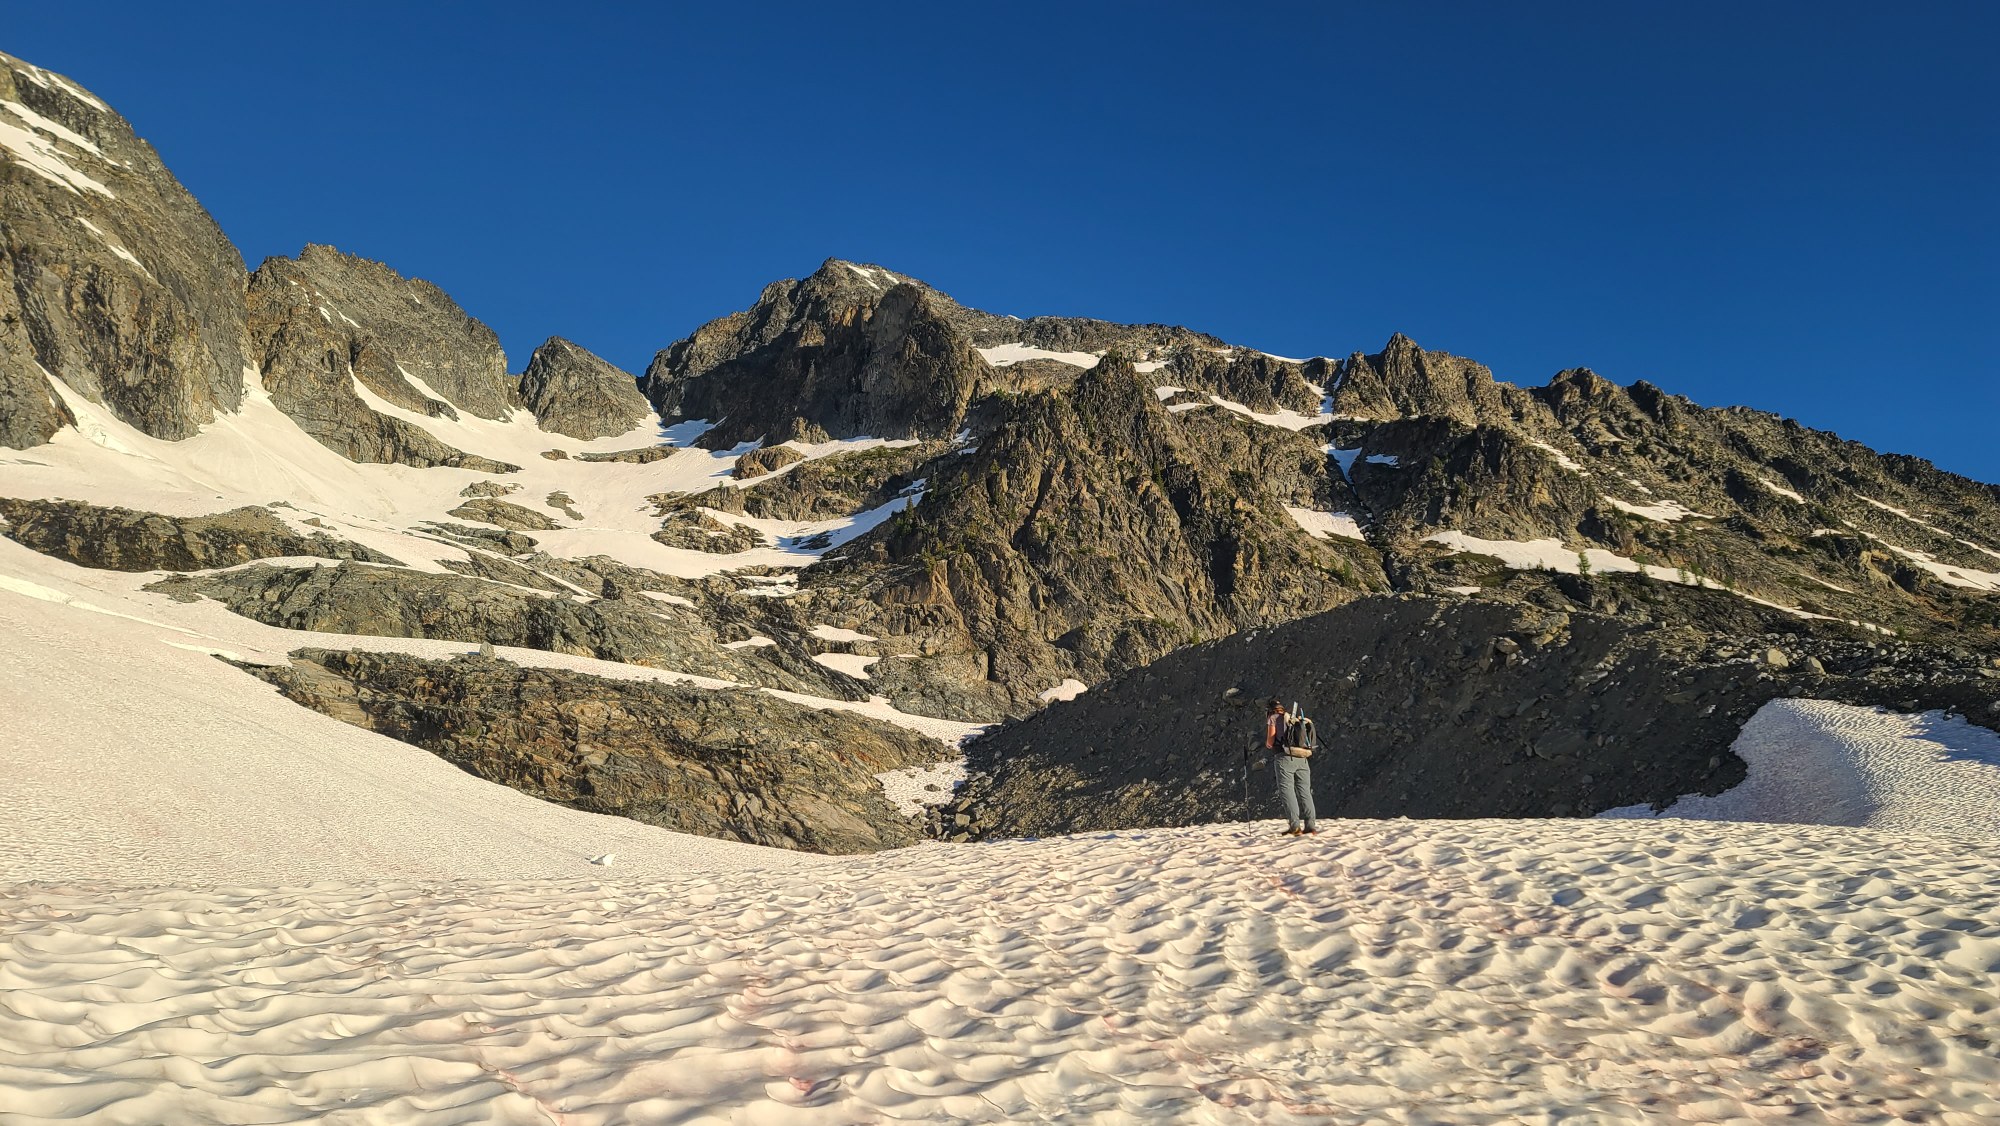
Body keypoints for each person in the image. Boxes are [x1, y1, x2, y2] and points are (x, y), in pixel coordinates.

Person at [1265, 698, 1318, 836]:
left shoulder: (1273, 717)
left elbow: (1271, 740)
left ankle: (1295, 826)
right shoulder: (1293, 719)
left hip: (1284, 758)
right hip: (1303, 757)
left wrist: (1268, 744)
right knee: (1305, 791)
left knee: (1287, 791)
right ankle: (1311, 826)